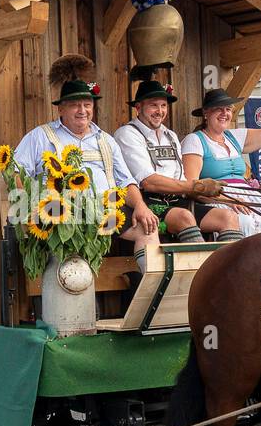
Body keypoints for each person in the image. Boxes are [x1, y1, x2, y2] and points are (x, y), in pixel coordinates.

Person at [13, 54, 160, 272]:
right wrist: (30, 209)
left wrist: (140, 205)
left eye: (87, 104)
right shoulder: (40, 137)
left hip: (106, 216)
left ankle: (149, 296)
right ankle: (76, 298)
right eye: (74, 105)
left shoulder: (106, 140)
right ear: (60, 108)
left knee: (147, 228)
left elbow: (126, 181)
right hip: (61, 215)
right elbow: (17, 173)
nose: (82, 110)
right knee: (70, 233)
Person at [113, 79, 241, 244]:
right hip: (145, 202)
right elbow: (149, 182)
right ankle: (200, 268)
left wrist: (222, 198)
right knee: (184, 217)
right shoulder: (127, 134)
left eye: (163, 106)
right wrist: (198, 186)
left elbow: (180, 180)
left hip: (177, 200)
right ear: (138, 108)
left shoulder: (170, 136)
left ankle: (226, 268)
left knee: (228, 217)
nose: (160, 111)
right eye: (153, 105)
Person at [181, 77, 261, 238]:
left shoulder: (234, 137)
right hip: (218, 199)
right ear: (206, 113)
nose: (225, 113)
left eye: (228, 109)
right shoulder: (194, 140)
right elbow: (191, 187)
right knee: (246, 222)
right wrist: (227, 199)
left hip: (246, 196)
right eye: (219, 109)